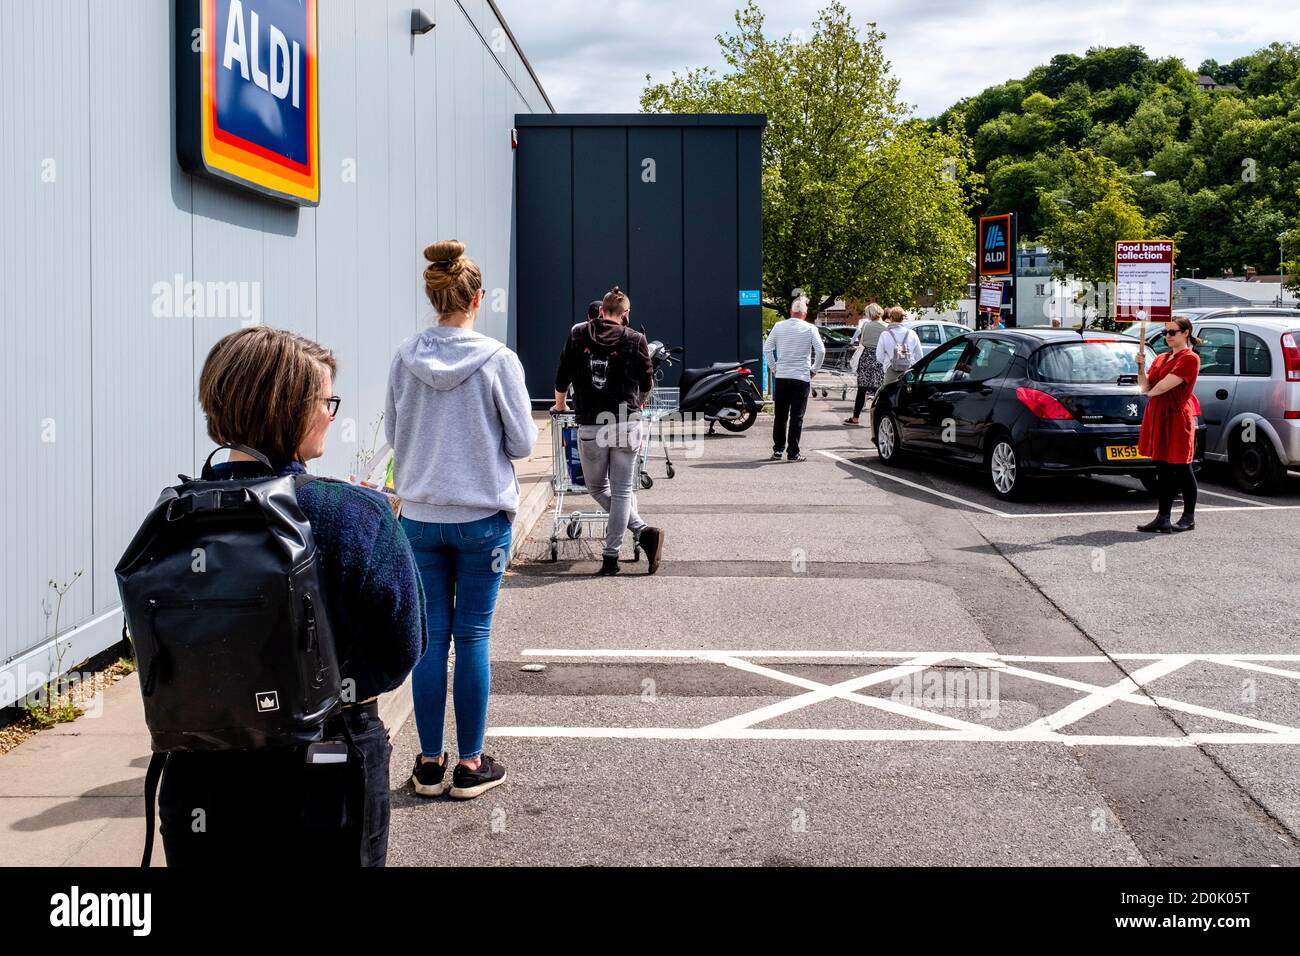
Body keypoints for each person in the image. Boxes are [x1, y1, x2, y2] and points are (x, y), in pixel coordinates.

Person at [159, 326, 426, 867]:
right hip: (325, 768)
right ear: (291, 409)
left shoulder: (171, 516)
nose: (331, 413)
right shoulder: (351, 513)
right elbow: (403, 647)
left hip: (200, 771)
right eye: (326, 401)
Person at [387, 239, 539, 800]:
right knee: (473, 634)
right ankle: (471, 765)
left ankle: (428, 764)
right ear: (478, 297)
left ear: (435, 296)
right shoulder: (498, 360)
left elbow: (393, 435)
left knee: (430, 640)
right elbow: (523, 443)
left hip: (420, 517)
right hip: (482, 518)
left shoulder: (404, 357)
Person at [554, 286, 664, 576]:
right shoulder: (636, 339)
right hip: (627, 421)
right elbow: (647, 380)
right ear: (626, 314)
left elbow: (562, 374)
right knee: (622, 490)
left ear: (601, 311)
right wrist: (639, 403)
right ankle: (617, 551)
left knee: (596, 487)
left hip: (591, 423)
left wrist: (561, 405)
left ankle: (631, 541)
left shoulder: (578, 334)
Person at [1135, 317, 1202, 534]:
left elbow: (1164, 386)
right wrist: (1141, 367)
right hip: (1157, 414)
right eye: (1165, 332)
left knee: (1181, 467)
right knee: (1162, 468)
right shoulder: (1161, 358)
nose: (1168, 336)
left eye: (1172, 332)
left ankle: (1188, 518)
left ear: (1186, 333)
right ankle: (1162, 517)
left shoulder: (1190, 358)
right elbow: (1145, 383)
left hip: (1175, 414)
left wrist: (1148, 392)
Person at [764, 296, 825, 462]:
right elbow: (821, 351)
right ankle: (793, 452)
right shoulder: (810, 328)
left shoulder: (779, 326)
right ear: (804, 314)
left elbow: (767, 349)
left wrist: (775, 368)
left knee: (780, 415)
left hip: (783, 376)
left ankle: (778, 450)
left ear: (791, 312)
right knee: (797, 416)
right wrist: (814, 370)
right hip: (801, 377)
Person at [844, 302, 885, 425]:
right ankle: (879, 420)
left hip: (866, 358)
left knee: (861, 390)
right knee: (879, 390)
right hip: (879, 358)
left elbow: (862, 341)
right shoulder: (886, 327)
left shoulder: (866, 326)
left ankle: (855, 418)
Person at [876, 306, 922, 386]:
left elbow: (879, 356)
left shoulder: (885, 334)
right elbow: (919, 356)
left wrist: (887, 363)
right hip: (908, 369)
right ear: (903, 318)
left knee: (889, 395)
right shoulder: (912, 334)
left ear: (890, 318)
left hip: (891, 369)